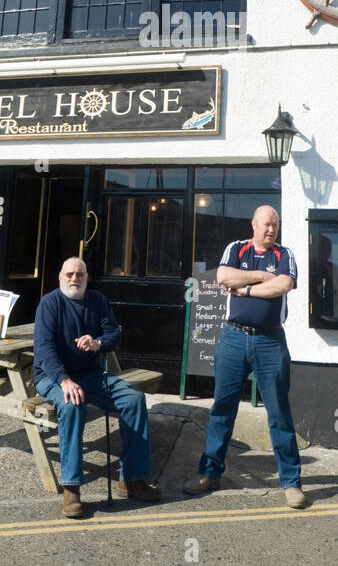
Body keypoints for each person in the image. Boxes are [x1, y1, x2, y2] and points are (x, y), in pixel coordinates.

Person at [183, 205, 307, 509]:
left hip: (270, 340)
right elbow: (224, 277)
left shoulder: (285, 254)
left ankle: (291, 482)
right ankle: (210, 474)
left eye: (275, 225)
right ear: (253, 224)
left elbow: (284, 285)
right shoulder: (236, 248)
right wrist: (258, 276)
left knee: (279, 412)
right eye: (266, 225)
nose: (271, 230)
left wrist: (248, 290)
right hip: (233, 338)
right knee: (222, 408)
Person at [33, 257, 161, 519]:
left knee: (133, 399)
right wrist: (64, 380)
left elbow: (114, 335)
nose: (74, 279)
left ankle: (133, 479)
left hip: (91, 375)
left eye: (80, 274)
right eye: (69, 274)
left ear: (87, 277)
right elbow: (44, 349)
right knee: (72, 405)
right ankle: (71, 488)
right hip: (53, 377)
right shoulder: (49, 304)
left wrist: (98, 343)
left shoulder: (97, 301)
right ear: (60, 277)